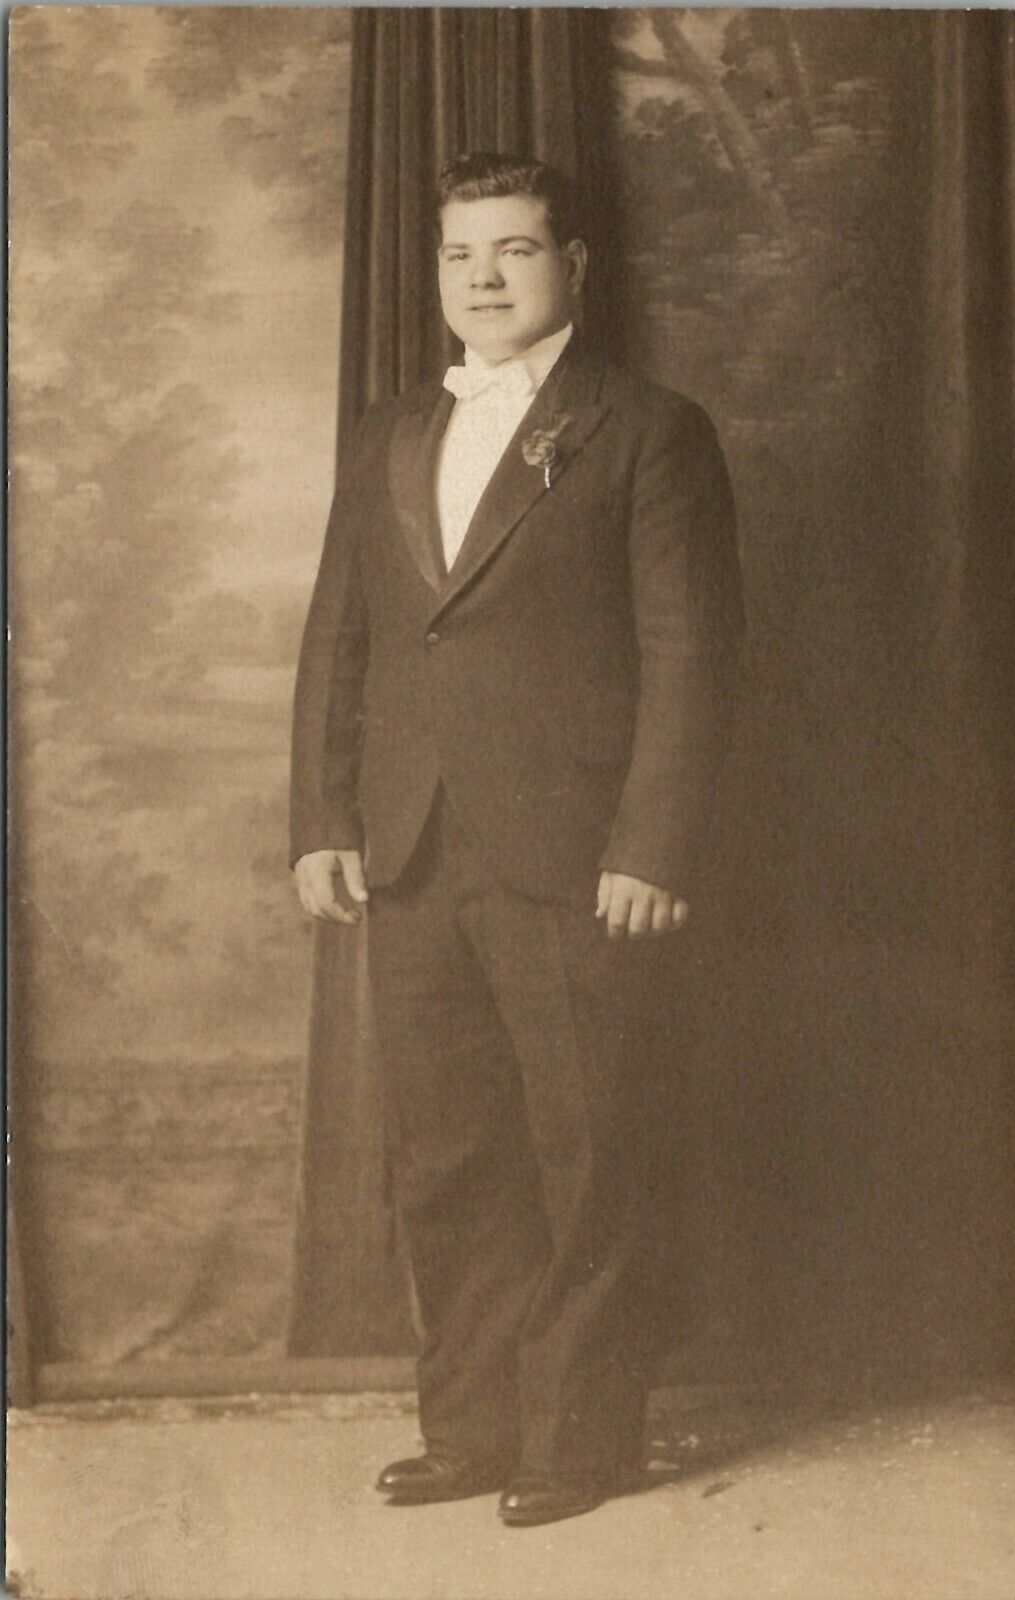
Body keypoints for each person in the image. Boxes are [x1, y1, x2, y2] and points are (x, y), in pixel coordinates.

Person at [290, 151, 744, 1527]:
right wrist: (324, 818)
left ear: (575, 267)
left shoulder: (648, 429)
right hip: (414, 850)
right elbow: (340, 639)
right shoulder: (387, 432)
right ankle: (473, 1430)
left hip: (580, 855)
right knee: (448, 1155)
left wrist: (653, 842)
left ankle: (582, 1440)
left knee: (591, 1151)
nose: (483, 278)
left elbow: (692, 653)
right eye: (459, 254)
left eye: (516, 250)